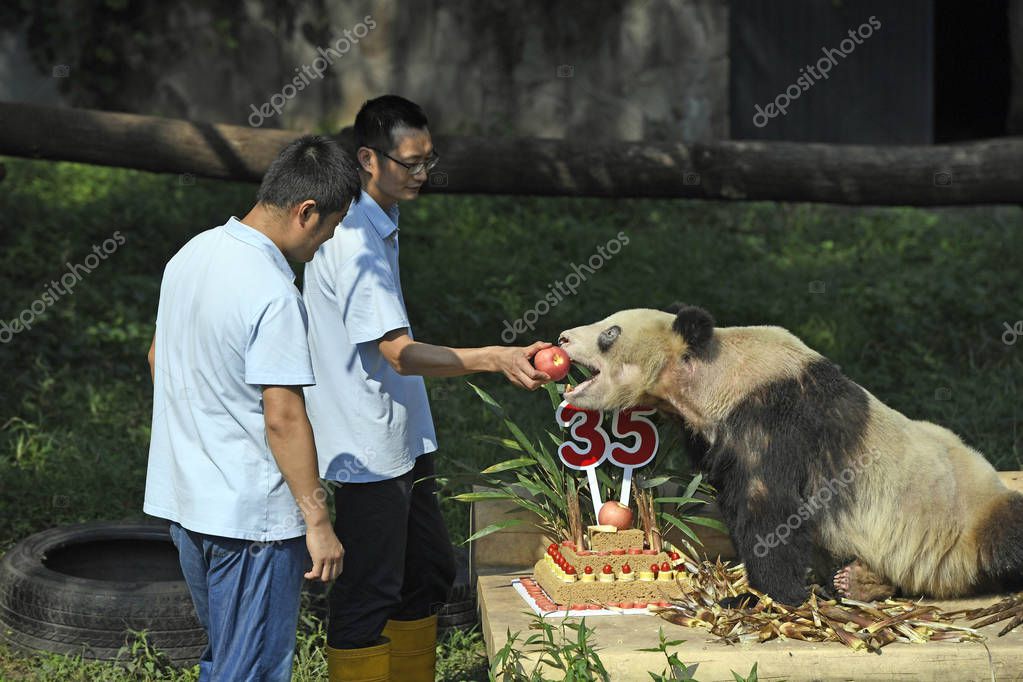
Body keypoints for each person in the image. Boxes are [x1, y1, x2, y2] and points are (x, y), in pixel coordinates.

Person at [303, 95, 552, 682]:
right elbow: (399, 352)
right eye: (409, 163)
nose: (420, 175)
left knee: (426, 575)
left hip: (400, 437)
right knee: (371, 590)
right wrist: (492, 357)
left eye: (428, 162)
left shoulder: (376, 221)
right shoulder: (355, 237)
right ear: (367, 157)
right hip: (366, 447)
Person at [144, 135, 361, 681]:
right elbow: (283, 416)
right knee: (252, 671)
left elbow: (156, 358)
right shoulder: (274, 292)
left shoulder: (190, 254)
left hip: (189, 508)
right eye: (330, 228)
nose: (326, 243)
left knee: (225, 660)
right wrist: (318, 521)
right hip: (254, 525)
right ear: (305, 212)